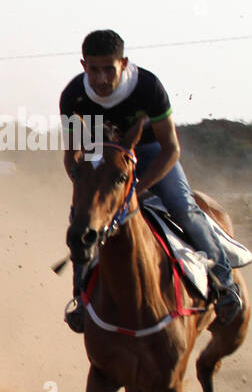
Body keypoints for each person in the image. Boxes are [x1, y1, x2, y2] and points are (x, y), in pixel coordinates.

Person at [61, 29, 242, 331]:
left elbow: (171, 150)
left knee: (182, 206)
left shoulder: (147, 88)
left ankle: (223, 284)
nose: (102, 79)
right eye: (94, 70)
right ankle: (81, 296)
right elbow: (73, 154)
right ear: (84, 66)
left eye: (109, 69)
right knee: (83, 219)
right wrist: (86, 190)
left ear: (123, 63)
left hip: (152, 153)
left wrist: (136, 189)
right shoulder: (73, 97)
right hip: (104, 158)